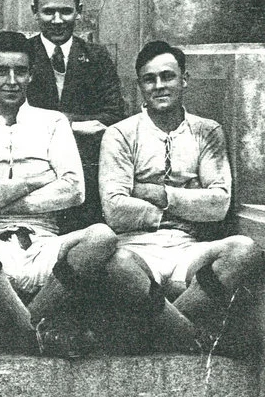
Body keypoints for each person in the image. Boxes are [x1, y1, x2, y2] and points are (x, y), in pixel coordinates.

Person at [0, 31, 118, 352]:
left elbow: (73, 191)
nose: (11, 81)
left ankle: (21, 327)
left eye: (20, 71)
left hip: (44, 242)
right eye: (1, 71)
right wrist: (37, 179)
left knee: (103, 237)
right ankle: (32, 328)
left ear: (31, 73)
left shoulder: (52, 122)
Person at [99, 41, 263, 351]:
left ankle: (155, 332)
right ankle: (187, 332)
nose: (159, 86)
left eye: (167, 76)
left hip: (189, 248)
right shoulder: (120, 134)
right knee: (115, 262)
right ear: (140, 85)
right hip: (136, 248)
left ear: (183, 79)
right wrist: (188, 201)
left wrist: (155, 193)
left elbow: (218, 204)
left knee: (245, 250)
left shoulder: (207, 131)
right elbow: (115, 210)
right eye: (150, 79)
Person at [28, 0, 126, 229]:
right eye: (49, 12)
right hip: (34, 161)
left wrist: (61, 124)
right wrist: (78, 125)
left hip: (86, 163)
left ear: (79, 11)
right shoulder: (23, 55)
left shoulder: (96, 56)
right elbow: (16, 114)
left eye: (66, 11)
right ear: (34, 12)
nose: (58, 20)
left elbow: (114, 114)